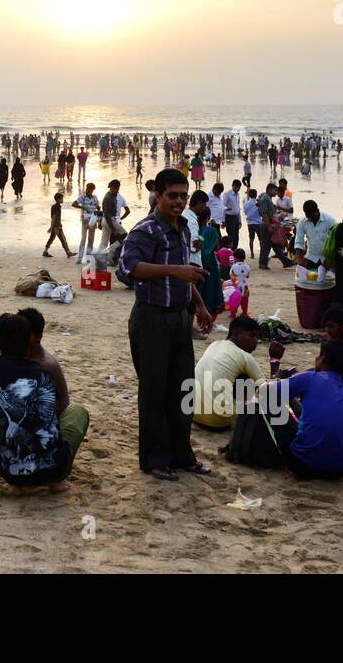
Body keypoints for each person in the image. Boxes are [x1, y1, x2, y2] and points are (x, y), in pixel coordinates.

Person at [118, 168, 214, 480]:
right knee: (154, 392)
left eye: (183, 196)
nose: (179, 202)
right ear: (158, 195)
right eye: (172, 196)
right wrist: (175, 271)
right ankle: (156, 459)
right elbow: (128, 267)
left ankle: (182, 456)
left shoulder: (184, 228)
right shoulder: (146, 230)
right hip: (151, 318)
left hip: (179, 317)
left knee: (183, 389)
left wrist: (200, 306)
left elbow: (186, 272)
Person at [0, 312, 89, 493]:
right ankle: (56, 482)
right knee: (78, 411)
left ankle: (17, 485)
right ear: (29, 342)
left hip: (9, 472)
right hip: (55, 469)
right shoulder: (42, 370)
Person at [261, 340, 343, 479]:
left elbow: (267, 391)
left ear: (323, 358)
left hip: (303, 465)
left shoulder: (310, 378)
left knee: (268, 398)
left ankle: (287, 455)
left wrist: (280, 381)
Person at [192, 316, 266, 430]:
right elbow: (266, 388)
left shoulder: (214, 345)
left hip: (193, 414)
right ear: (235, 334)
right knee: (250, 380)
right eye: (252, 336)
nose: (255, 341)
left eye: (257, 337)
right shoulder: (245, 356)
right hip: (219, 421)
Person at [293, 200, 336, 271]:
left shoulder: (329, 221)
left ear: (317, 210)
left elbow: (334, 242)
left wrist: (329, 260)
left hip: (327, 259)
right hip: (311, 258)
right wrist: (300, 259)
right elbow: (299, 242)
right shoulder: (302, 222)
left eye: (312, 216)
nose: (310, 218)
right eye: (308, 216)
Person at [72, 182, 100, 265]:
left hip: (93, 220)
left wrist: (98, 209)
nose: (90, 191)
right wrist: (82, 207)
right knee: (83, 239)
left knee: (91, 240)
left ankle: (88, 258)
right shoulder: (82, 197)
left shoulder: (95, 197)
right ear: (87, 189)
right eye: (89, 190)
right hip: (85, 220)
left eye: (91, 190)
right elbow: (73, 204)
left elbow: (98, 207)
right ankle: (79, 258)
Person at [43, 191, 73, 258]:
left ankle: (45, 251)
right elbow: (54, 217)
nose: (62, 200)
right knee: (63, 239)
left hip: (55, 226)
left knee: (51, 239)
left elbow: (52, 217)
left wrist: (52, 227)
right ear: (58, 199)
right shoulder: (57, 207)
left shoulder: (54, 206)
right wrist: (51, 227)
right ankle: (68, 252)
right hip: (57, 226)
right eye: (62, 198)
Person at [223, 179, 243, 250]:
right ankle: (229, 251)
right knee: (231, 236)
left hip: (236, 217)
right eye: (236, 187)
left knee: (236, 236)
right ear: (233, 186)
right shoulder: (227, 194)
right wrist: (223, 220)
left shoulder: (238, 195)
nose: (237, 189)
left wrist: (240, 220)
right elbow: (223, 207)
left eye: (239, 187)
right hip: (229, 217)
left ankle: (234, 250)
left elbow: (238, 208)